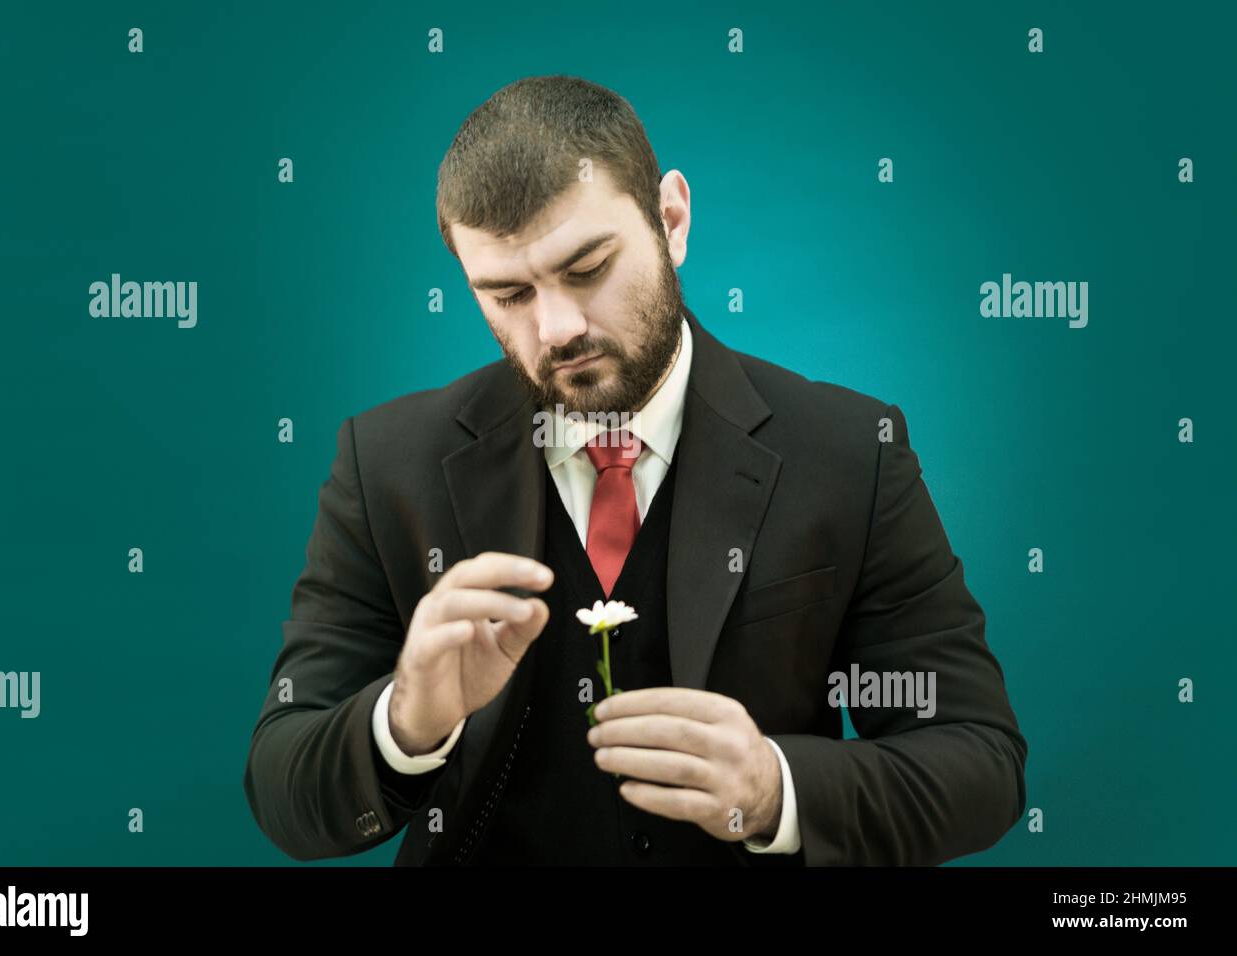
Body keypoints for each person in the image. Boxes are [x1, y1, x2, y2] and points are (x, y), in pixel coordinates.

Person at [243, 74, 1027, 866]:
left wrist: (773, 788)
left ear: (671, 219)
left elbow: (981, 764)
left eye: (586, 268)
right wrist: (404, 722)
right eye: (507, 293)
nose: (555, 328)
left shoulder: (854, 451)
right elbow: (283, 788)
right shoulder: (385, 464)